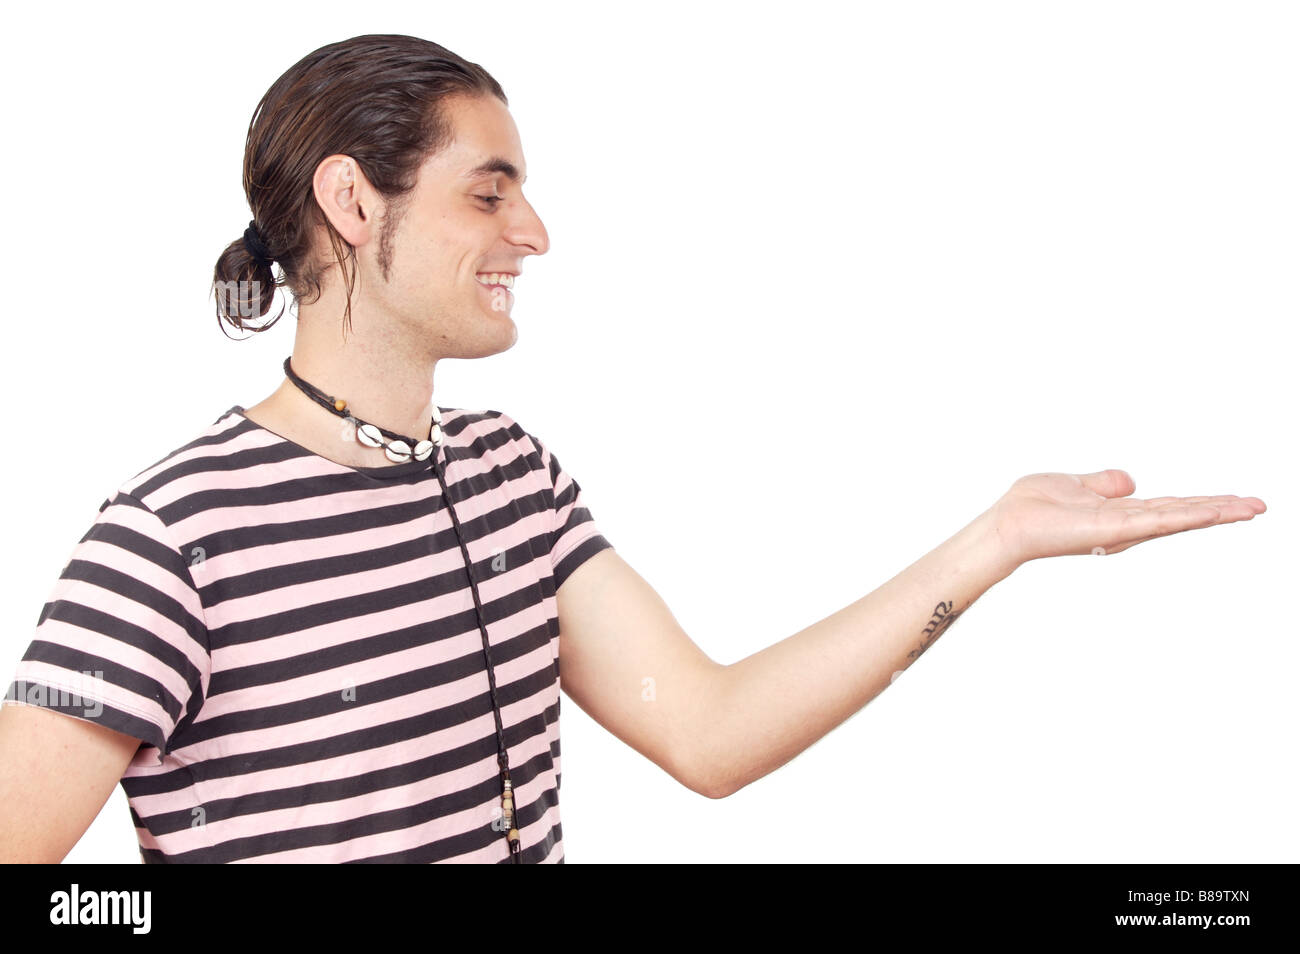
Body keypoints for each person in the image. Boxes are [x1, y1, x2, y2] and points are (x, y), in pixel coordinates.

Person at [0, 34, 1266, 864]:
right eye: (487, 192)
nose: (533, 231)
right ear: (350, 201)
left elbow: (707, 732)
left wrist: (995, 542)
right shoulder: (173, 538)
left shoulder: (509, 478)